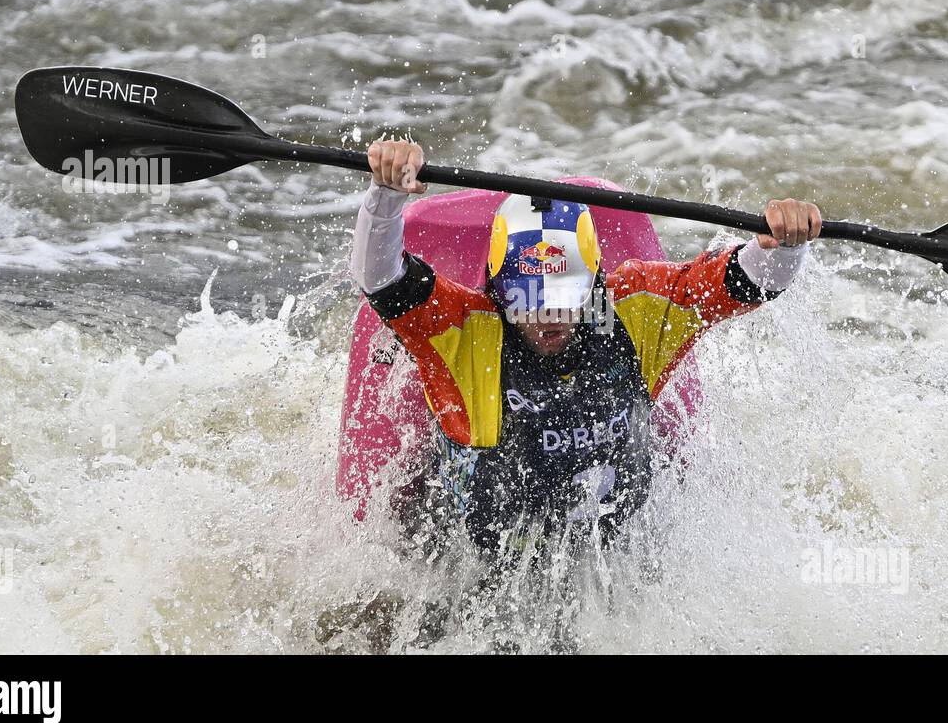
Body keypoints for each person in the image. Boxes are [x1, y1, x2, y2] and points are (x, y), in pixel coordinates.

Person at [352, 138, 821, 563]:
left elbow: (742, 283)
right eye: (527, 297)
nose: (548, 316)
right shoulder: (465, 332)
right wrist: (386, 194)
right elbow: (381, 280)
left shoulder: (638, 309)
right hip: (476, 566)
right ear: (497, 290)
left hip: (618, 553)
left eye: (566, 294)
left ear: (596, 280)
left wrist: (782, 248)